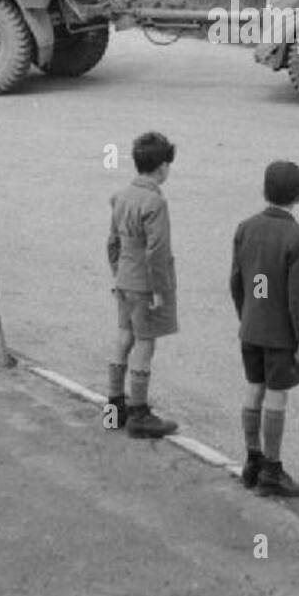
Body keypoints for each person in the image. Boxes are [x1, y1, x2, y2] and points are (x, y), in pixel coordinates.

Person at [229, 160, 299, 499]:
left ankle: (252, 458)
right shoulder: (297, 236)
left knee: (254, 388)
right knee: (277, 396)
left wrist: (247, 314)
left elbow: (238, 281)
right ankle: (272, 469)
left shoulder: (246, 227)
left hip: (251, 326)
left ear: (264, 190)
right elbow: (298, 296)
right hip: (280, 334)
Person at [105, 131, 179, 439]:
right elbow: (157, 251)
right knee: (145, 343)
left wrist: (118, 272)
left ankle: (114, 408)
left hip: (124, 278)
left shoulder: (121, 196)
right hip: (146, 284)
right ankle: (139, 413)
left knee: (124, 337)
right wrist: (160, 290)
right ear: (161, 167)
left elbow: (112, 243)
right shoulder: (154, 202)